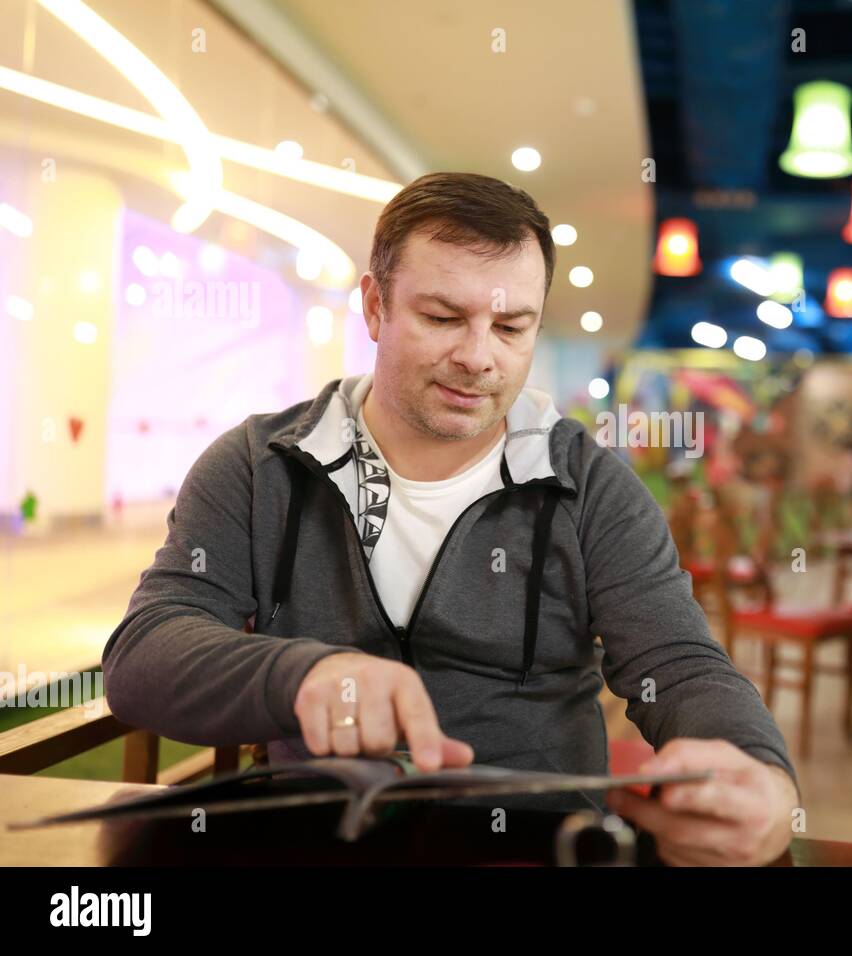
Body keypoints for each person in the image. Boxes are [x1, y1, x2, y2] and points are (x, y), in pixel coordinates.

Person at [102, 172, 798, 866]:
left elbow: (678, 665)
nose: (478, 356)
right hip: (323, 838)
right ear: (374, 308)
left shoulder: (588, 488)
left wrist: (760, 776)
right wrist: (305, 675)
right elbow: (144, 655)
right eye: (442, 318)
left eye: (510, 326)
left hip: (534, 845)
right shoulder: (260, 468)